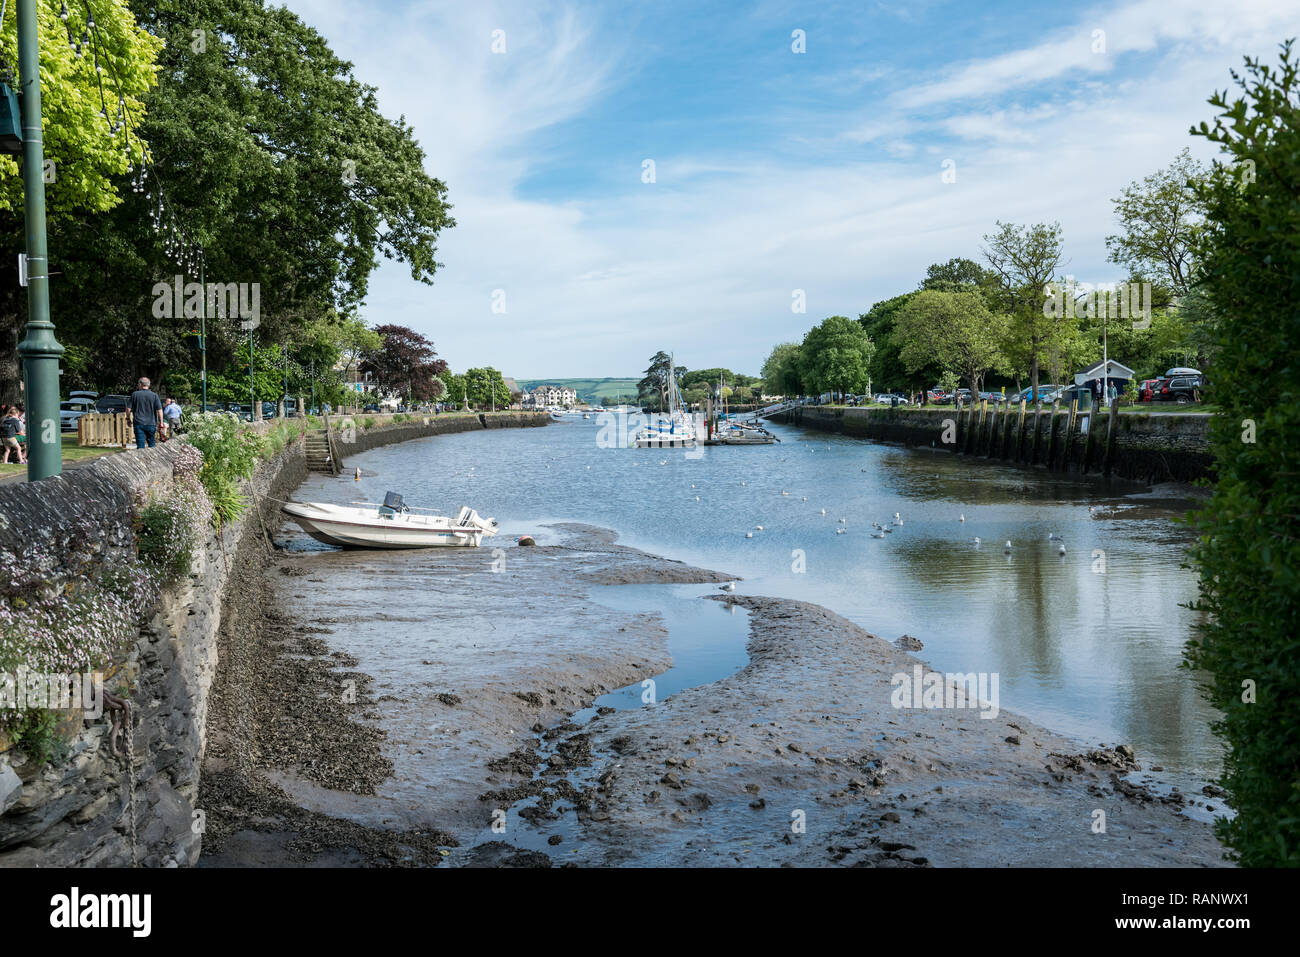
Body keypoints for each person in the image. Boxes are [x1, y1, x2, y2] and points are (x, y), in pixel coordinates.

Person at [128, 377, 164, 449]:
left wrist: (128, 419)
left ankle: (140, 459)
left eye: (138, 383)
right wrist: (161, 422)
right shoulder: (154, 395)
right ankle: (153, 459)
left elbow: (128, 408)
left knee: (140, 445)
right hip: (151, 423)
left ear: (140, 384)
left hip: (139, 423)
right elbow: (160, 410)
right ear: (148, 385)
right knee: (152, 443)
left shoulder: (135, 394)